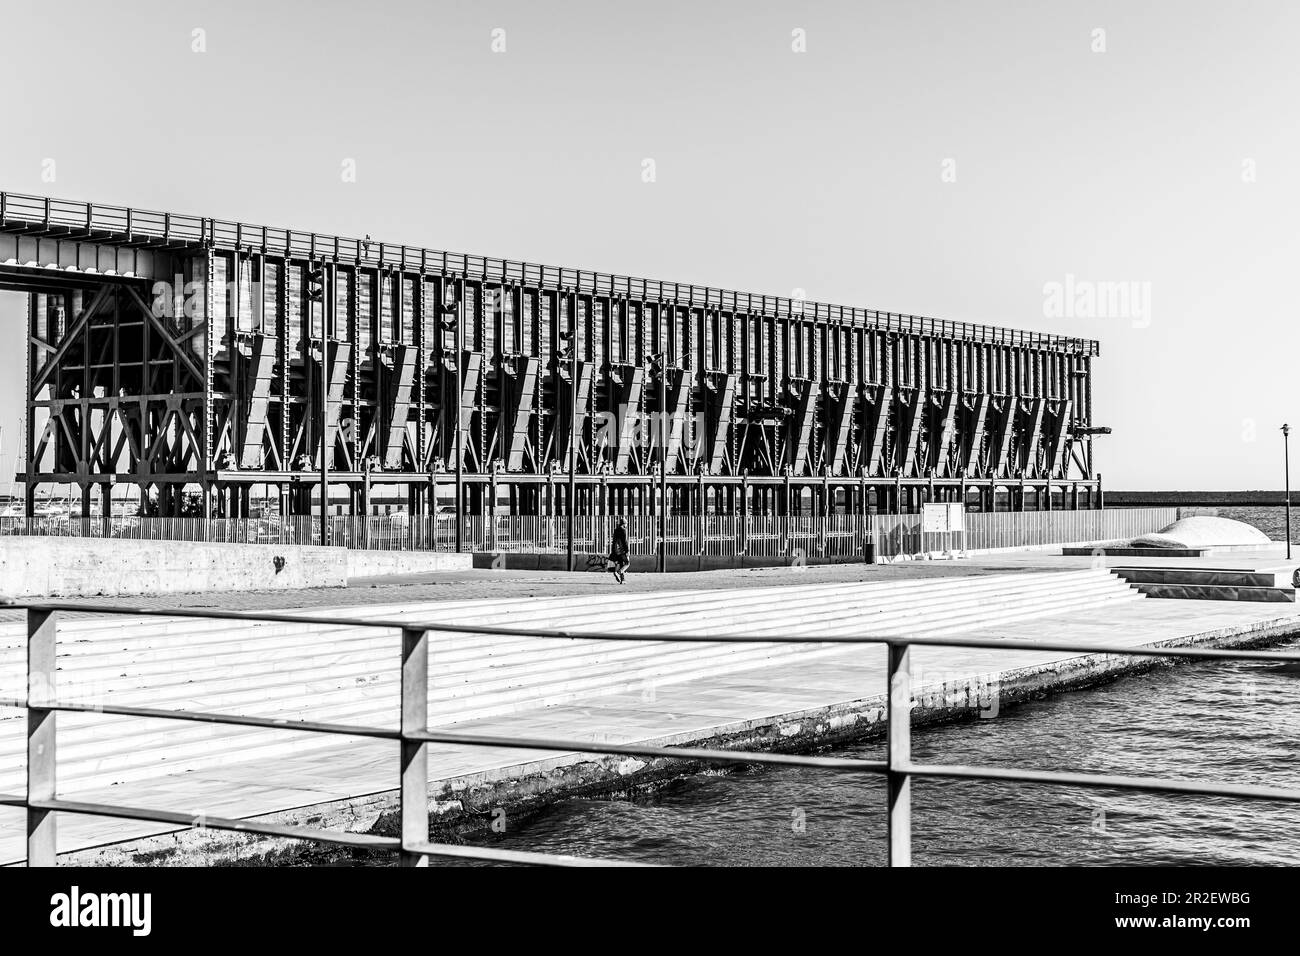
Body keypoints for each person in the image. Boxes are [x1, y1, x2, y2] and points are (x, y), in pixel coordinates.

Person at [609, 517, 630, 584]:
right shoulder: (623, 530)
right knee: (627, 563)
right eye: (626, 524)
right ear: (624, 524)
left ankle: (622, 579)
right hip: (622, 550)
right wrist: (627, 550)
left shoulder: (616, 530)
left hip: (615, 549)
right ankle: (618, 572)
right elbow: (624, 541)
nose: (627, 525)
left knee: (621, 564)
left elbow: (614, 540)